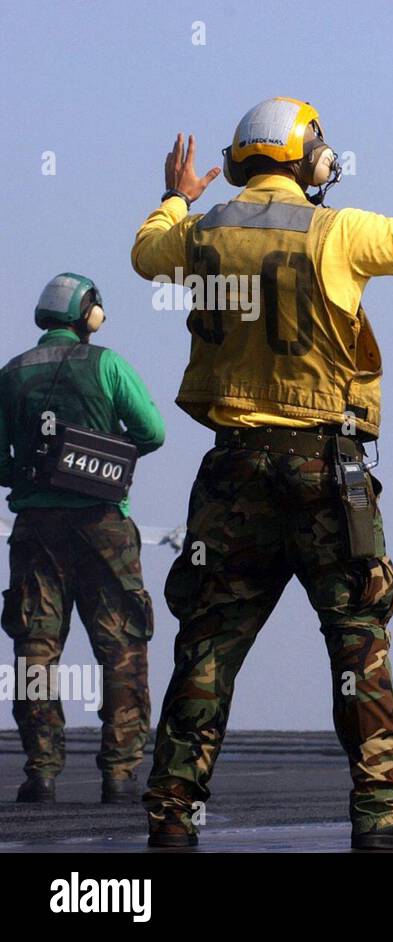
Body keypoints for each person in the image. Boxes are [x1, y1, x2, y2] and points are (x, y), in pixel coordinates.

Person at [129, 97, 393, 849]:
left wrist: (177, 194)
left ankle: (171, 819)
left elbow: (146, 252)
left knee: (207, 649)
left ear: (239, 161)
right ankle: (382, 815)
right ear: (314, 160)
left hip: (231, 473)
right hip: (324, 471)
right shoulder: (341, 231)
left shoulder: (201, 235)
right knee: (357, 642)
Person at [0, 273, 165, 804]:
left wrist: (37, 469)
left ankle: (41, 772)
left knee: (37, 648)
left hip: (36, 530)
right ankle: (119, 774)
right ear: (87, 312)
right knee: (121, 645)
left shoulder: (12, 373)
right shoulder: (108, 364)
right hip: (103, 526)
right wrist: (100, 453)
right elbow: (152, 433)